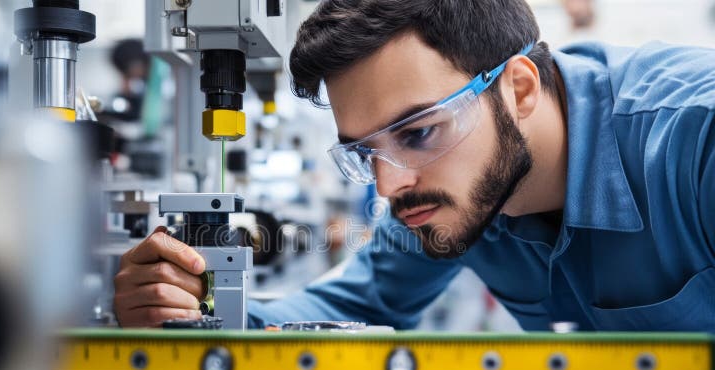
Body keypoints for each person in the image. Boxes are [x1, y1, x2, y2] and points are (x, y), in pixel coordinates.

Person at [114, 0, 715, 331]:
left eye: (420, 131)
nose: (389, 184)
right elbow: (360, 306)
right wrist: (197, 306)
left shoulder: (696, 140)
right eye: (366, 150)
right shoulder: (437, 185)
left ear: (520, 90)